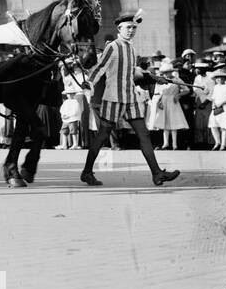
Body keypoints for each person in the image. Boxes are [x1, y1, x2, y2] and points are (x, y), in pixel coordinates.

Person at [80, 10, 180, 186]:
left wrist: (153, 77)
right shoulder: (113, 46)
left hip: (131, 98)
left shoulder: (132, 49)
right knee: (103, 136)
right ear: (119, 29)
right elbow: (99, 67)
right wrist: (89, 83)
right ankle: (87, 172)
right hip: (113, 98)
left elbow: (132, 72)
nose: (131, 31)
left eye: (134, 28)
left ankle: (157, 174)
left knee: (144, 135)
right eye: (128, 28)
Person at [148, 61, 188, 151]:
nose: (167, 74)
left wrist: (178, 95)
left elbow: (186, 89)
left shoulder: (177, 80)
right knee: (165, 123)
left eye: (168, 72)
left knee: (173, 122)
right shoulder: (160, 81)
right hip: (164, 102)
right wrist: (159, 101)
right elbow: (157, 93)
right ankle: (165, 144)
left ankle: (175, 144)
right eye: (165, 73)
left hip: (173, 102)